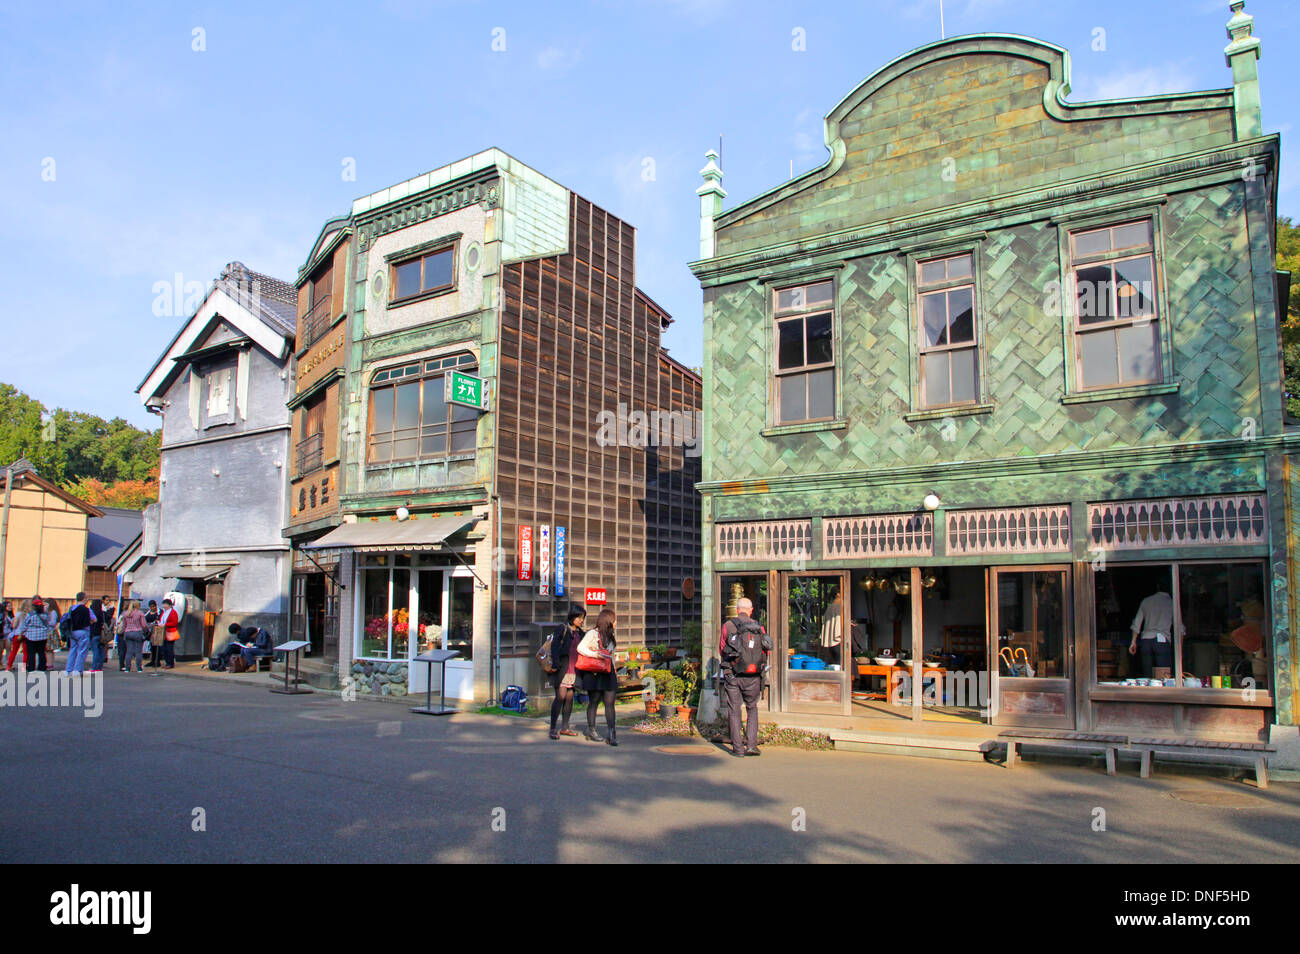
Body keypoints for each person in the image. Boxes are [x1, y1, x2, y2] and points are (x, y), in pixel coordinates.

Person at [719, 597, 772, 758]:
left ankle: (738, 749)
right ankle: (751, 746)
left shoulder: (728, 625)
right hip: (754, 675)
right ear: (751, 610)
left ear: (736, 610)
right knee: (752, 708)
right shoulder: (758, 627)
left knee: (734, 711)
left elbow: (722, 649)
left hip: (733, 674)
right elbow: (766, 650)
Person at [576, 608, 619, 745]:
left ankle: (612, 733)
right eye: (614, 620)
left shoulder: (611, 636)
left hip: (608, 671)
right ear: (608, 621)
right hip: (594, 672)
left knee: (610, 703)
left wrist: (614, 669)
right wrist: (596, 655)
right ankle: (591, 729)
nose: (616, 622)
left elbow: (611, 655)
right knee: (594, 701)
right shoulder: (592, 634)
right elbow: (580, 648)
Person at [1129, 581, 1185, 680]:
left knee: (1147, 675)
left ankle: (1147, 693)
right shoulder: (1172, 603)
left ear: (1158, 586)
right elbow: (1179, 628)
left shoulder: (1146, 601)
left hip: (1146, 640)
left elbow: (1137, 623)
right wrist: (1179, 650)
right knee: (1163, 676)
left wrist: (1133, 642)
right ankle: (1163, 694)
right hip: (1162, 642)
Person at [547, 608, 586, 740]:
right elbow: (554, 647)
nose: (581, 620)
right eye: (579, 617)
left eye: (583, 618)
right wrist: (556, 664)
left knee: (569, 699)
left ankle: (565, 727)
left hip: (575, 670)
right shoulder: (562, 629)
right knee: (560, 696)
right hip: (562, 669)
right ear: (572, 617)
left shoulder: (581, 633)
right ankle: (553, 728)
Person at [14, 597, 54, 672]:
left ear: (34, 606)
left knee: (31, 653)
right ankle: (42, 667)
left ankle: (31, 667)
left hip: (31, 636)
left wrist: (21, 633)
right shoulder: (45, 615)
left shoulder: (30, 615)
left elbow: (25, 624)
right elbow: (48, 624)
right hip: (42, 636)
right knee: (41, 652)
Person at [64, 593, 95, 675]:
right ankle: (77, 670)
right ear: (84, 599)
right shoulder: (87, 609)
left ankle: (68, 670)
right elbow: (94, 619)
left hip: (73, 631)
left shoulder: (72, 608)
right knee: (82, 651)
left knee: (73, 650)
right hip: (83, 631)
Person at [119, 600, 149, 673]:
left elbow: (123, 625)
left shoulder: (126, 613)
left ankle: (127, 668)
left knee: (129, 651)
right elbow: (144, 624)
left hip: (127, 632)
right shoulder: (140, 613)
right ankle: (139, 668)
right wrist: (146, 631)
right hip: (137, 632)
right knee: (138, 651)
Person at [157, 598, 180, 668]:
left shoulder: (173, 612)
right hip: (163, 632)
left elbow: (174, 622)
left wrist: (165, 624)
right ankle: (167, 662)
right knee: (164, 648)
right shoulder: (164, 612)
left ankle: (170, 663)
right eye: (163, 604)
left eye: (165, 604)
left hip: (170, 632)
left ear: (169, 605)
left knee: (169, 648)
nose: (164, 606)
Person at [88, 598, 108, 672]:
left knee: (95, 651)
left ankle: (94, 667)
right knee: (101, 650)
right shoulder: (103, 613)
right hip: (102, 634)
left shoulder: (91, 614)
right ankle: (99, 667)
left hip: (94, 633)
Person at [1, 601, 17, 669]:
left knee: (8, 649)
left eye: (11, 606)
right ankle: (1, 663)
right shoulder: (2, 615)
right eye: (8, 606)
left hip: (9, 634)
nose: (10, 607)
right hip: (1, 634)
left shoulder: (12, 615)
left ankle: (9, 664)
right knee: (1, 650)